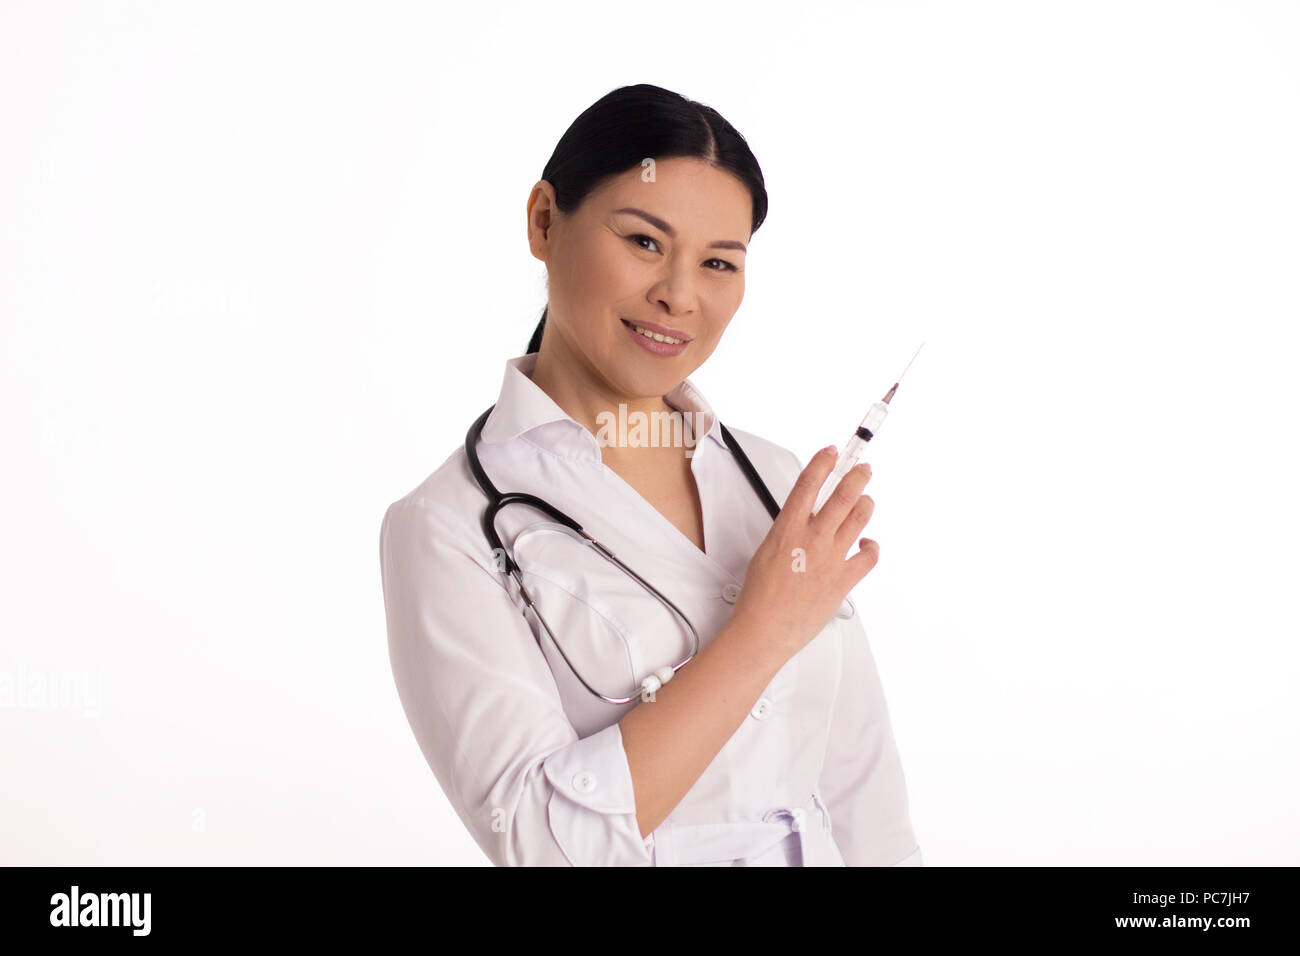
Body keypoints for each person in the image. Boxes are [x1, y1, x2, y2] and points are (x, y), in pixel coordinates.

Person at [379, 83, 922, 866]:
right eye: (643, 242)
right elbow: (541, 842)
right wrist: (761, 633)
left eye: (718, 263)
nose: (678, 294)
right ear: (543, 221)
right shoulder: (445, 529)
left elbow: (864, 796)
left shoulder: (775, 481)